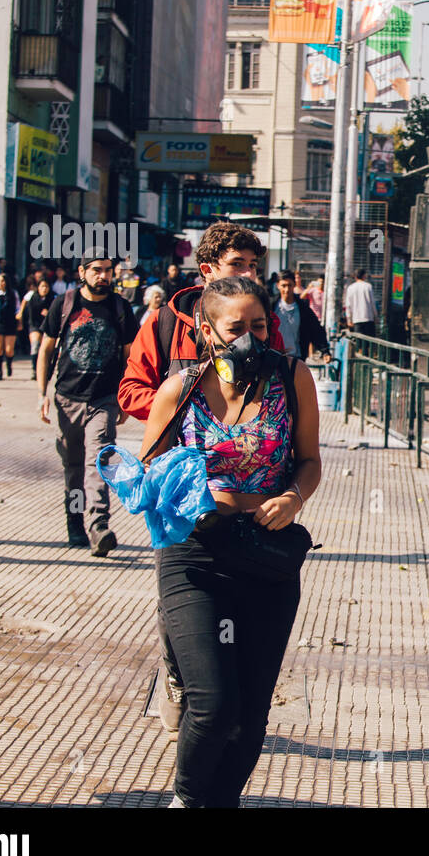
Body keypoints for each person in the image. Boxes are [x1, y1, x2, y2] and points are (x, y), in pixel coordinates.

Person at [139, 275, 321, 808]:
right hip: (195, 558)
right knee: (213, 703)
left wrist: (292, 498)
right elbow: (147, 474)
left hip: (267, 560)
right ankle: (188, 801)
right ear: (206, 329)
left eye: (259, 326)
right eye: (235, 328)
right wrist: (195, 487)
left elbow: (309, 462)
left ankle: (223, 802)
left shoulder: (292, 377)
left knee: (251, 709)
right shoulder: (181, 389)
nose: (250, 339)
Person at [118, 221, 286, 734]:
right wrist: (190, 407)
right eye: (238, 266)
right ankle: (179, 674)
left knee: (239, 602)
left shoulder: (263, 325)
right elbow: (130, 391)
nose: (249, 275)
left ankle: (223, 704)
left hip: (249, 499)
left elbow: (284, 393)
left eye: (255, 267)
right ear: (207, 270)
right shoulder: (165, 324)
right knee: (182, 604)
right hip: (180, 498)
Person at [37, 249, 138, 556]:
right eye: (96, 270)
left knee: (99, 462)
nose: (103, 276)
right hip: (67, 399)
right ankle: (75, 522)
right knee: (73, 468)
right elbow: (45, 350)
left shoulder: (120, 308)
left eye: (108, 270)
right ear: (82, 272)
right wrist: (42, 393)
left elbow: (129, 357)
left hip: (103, 400)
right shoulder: (64, 304)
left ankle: (98, 526)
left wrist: (124, 399)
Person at [274, 270, 330, 361]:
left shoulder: (303, 308)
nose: (287, 290)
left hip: (295, 358)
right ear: (278, 285)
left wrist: (325, 351)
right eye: (283, 286)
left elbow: (316, 329)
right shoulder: (271, 307)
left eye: (290, 285)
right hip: (273, 358)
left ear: (294, 285)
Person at [20, 277, 55, 380]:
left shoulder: (53, 298)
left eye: (46, 286)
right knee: (35, 345)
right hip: (35, 325)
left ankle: (46, 369)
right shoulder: (32, 297)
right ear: (38, 287)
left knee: (47, 349)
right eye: (42, 286)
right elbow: (30, 314)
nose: (44, 289)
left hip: (48, 326)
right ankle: (34, 369)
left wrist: (48, 314)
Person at [343, 269, 376, 337]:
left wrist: (349, 319)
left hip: (356, 319)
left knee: (359, 342)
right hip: (368, 318)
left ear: (355, 277)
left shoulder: (350, 288)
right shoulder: (368, 286)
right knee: (369, 342)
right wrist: (375, 316)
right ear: (364, 276)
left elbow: (348, 305)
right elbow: (372, 303)